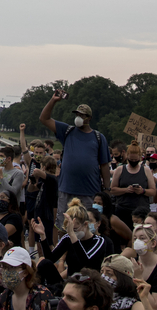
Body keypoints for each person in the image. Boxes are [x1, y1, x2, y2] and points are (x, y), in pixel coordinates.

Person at [39, 93, 111, 228]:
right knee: (64, 226)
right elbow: (44, 118)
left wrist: (106, 189)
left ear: (89, 118)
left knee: (87, 226)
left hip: (89, 191)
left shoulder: (98, 138)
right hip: (67, 189)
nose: (79, 117)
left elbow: (104, 165)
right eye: (77, 114)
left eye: (82, 115)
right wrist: (53, 101)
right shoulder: (67, 131)